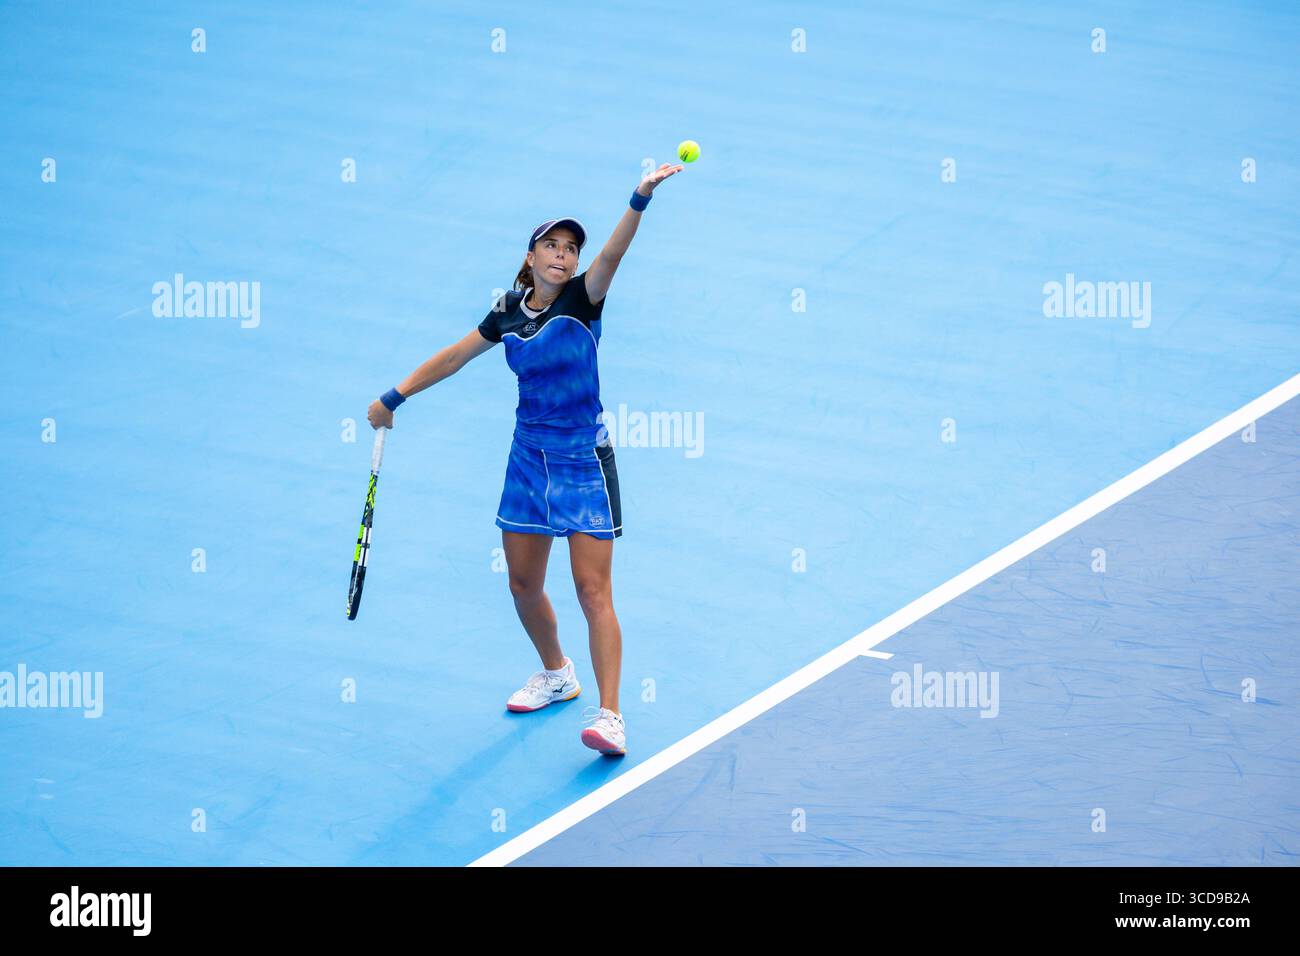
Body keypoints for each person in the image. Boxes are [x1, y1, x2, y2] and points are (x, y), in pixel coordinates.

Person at [367, 162, 684, 756]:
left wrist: (640, 196)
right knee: (521, 584)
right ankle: (558, 673)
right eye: (552, 247)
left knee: (593, 591)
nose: (564, 256)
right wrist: (395, 397)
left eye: (571, 248)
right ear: (531, 257)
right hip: (528, 461)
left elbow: (612, 257)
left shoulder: (585, 300)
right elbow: (455, 357)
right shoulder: (508, 312)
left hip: (583, 462)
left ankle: (610, 714)